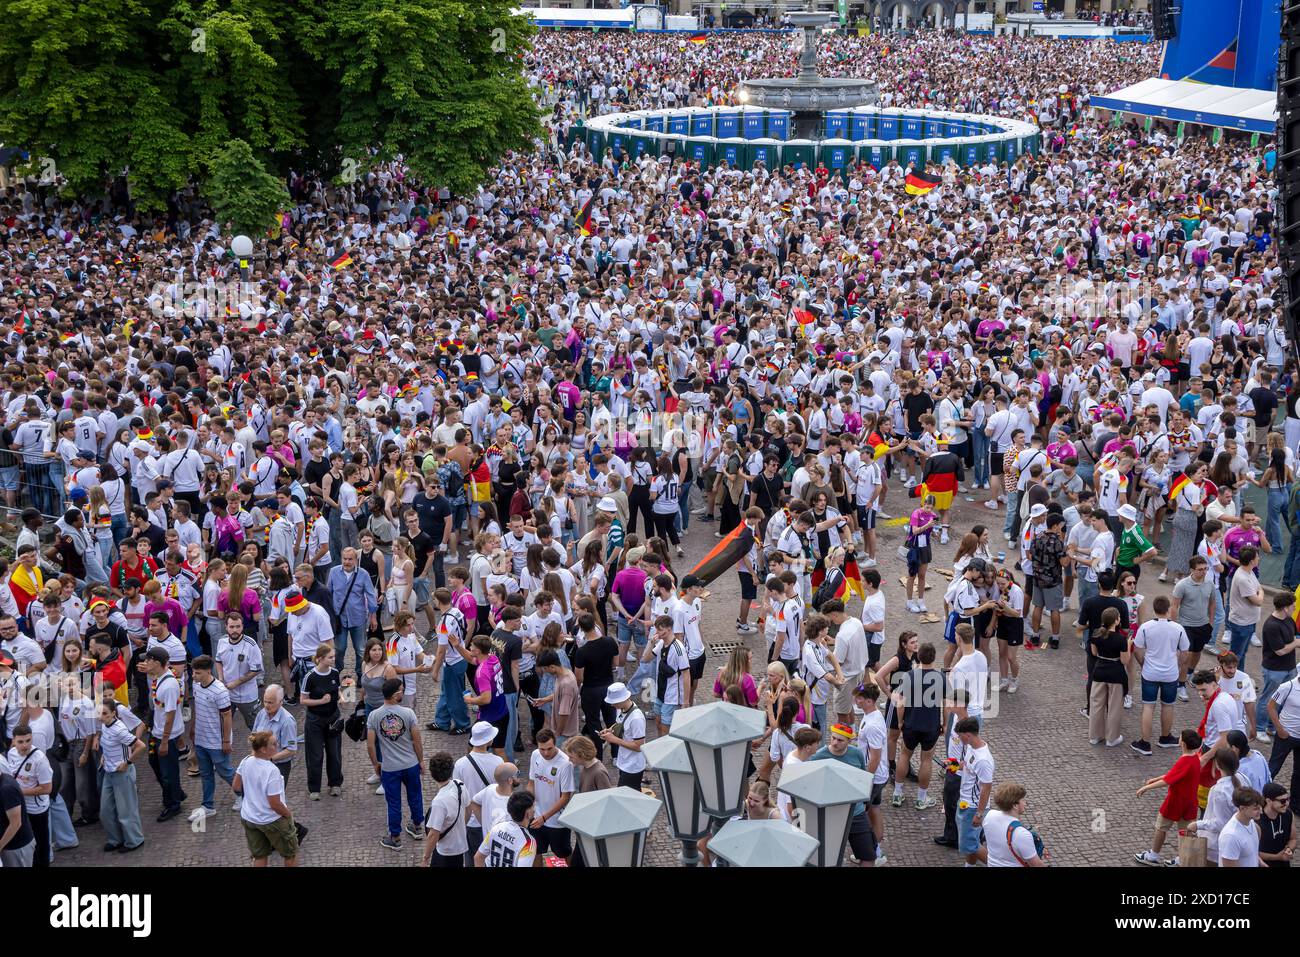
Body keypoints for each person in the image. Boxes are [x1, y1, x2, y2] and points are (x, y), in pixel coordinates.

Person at [367, 677, 425, 849]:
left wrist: (376, 764)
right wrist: (421, 760)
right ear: (395, 695)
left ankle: (395, 836)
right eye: (401, 689)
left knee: (393, 802)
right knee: (415, 796)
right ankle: (417, 827)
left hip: (390, 767)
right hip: (410, 764)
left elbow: (370, 744)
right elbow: (417, 741)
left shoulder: (374, 716)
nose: (403, 691)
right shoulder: (408, 714)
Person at [810, 723, 877, 867]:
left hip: (856, 813)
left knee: (869, 856)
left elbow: (862, 778)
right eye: (833, 738)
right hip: (831, 815)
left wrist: (865, 799)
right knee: (827, 859)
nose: (834, 742)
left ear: (849, 741)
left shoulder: (857, 754)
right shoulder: (818, 757)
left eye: (840, 740)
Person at [1134, 729, 1204, 866]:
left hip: (1175, 801)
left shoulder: (1184, 761)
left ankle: (1153, 855)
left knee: (1161, 827)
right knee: (1186, 831)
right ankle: (1184, 860)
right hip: (1190, 802)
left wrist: (1146, 787)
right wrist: (1155, 778)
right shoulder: (1195, 758)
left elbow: (1169, 780)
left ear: (1182, 744)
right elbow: (1174, 774)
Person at [1131, 596, 1189, 755]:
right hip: (1170, 673)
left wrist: (1143, 663)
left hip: (1150, 672)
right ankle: (1165, 737)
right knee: (1168, 705)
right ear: (1169, 609)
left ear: (1154, 609)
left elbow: (1137, 649)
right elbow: (1185, 652)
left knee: (1148, 706)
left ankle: (1145, 742)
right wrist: (1177, 665)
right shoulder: (1178, 629)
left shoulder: (1145, 627)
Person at [233, 730, 298, 867]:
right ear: (263, 749)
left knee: (260, 856)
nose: (277, 745)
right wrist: (288, 814)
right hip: (271, 819)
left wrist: (253, 796)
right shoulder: (272, 770)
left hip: (249, 817)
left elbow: (236, 786)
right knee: (290, 854)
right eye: (273, 744)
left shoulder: (246, 761)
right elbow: (274, 803)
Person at [189, 655, 238, 824]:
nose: (194, 676)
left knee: (225, 771)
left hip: (216, 741)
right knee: (206, 773)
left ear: (208, 671)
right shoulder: (196, 686)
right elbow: (197, 706)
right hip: (202, 739)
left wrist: (225, 741)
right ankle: (207, 805)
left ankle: (243, 794)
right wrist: (194, 728)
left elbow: (227, 717)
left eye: (197, 673)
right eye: (193, 672)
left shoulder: (220, 690)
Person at [96, 698, 147, 854]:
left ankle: (134, 840)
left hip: (122, 773)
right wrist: (104, 756)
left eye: (105, 713)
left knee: (126, 810)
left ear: (113, 713)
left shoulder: (119, 729)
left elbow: (140, 746)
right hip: (109, 772)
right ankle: (115, 839)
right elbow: (108, 744)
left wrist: (127, 763)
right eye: (99, 713)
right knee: (105, 810)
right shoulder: (105, 726)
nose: (101, 716)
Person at [300, 643, 344, 800]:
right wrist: (321, 701)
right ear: (320, 659)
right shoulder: (310, 677)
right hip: (315, 720)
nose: (333, 659)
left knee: (334, 752)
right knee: (315, 754)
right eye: (330, 657)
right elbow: (303, 700)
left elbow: (337, 689)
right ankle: (314, 788)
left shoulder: (334, 673)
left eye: (333, 657)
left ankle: (335, 784)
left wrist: (342, 697)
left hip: (332, 717)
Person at [1257, 591, 1300, 742]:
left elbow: (1296, 636)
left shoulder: (1289, 620)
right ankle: (1260, 729)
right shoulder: (1271, 625)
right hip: (1274, 670)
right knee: (1268, 699)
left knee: (1283, 699)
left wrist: (1296, 642)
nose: (1295, 609)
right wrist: (1295, 643)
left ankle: (1271, 726)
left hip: (1290, 668)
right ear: (1285, 608)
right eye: (1293, 606)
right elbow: (1280, 651)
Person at [526, 728, 574, 862]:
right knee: (535, 852)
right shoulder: (535, 755)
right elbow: (531, 782)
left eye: (549, 748)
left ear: (555, 744)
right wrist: (529, 804)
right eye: (542, 749)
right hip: (537, 817)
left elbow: (565, 797)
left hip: (557, 821)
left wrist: (544, 817)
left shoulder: (565, 763)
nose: (546, 753)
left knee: (563, 852)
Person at [956, 716, 994, 866]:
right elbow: (966, 765)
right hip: (965, 802)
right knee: (972, 842)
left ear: (968, 734)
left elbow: (986, 787)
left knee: (969, 844)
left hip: (972, 807)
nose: (959, 739)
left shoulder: (983, 760)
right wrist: (955, 765)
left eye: (960, 736)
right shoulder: (972, 747)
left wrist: (979, 813)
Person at [983, 782, 1046, 867]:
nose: (1025, 803)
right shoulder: (1021, 834)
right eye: (1023, 800)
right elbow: (1036, 865)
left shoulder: (989, 816)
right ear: (1015, 806)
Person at [422, 751, 468, 867]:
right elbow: (469, 808)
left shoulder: (439, 802)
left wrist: (425, 858)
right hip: (460, 845)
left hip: (445, 850)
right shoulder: (459, 785)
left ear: (432, 774)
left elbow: (433, 834)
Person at [475, 789, 537, 868]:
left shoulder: (496, 828)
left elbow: (478, 857)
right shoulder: (528, 842)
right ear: (528, 814)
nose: (534, 809)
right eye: (533, 807)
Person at [1217, 787, 1264, 868]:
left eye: (1260, 807)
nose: (1261, 811)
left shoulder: (1251, 822)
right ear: (1242, 808)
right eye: (1256, 809)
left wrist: (1259, 861)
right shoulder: (1231, 836)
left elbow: (1249, 852)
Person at [1258, 783, 1295, 867]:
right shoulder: (1258, 821)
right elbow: (1252, 852)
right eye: (1282, 801)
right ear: (1268, 801)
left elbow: (1293, 839)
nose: (1286, 803)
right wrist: (1277, 857)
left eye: (1288, 799)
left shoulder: (1288, 814)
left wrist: (1289, 849)